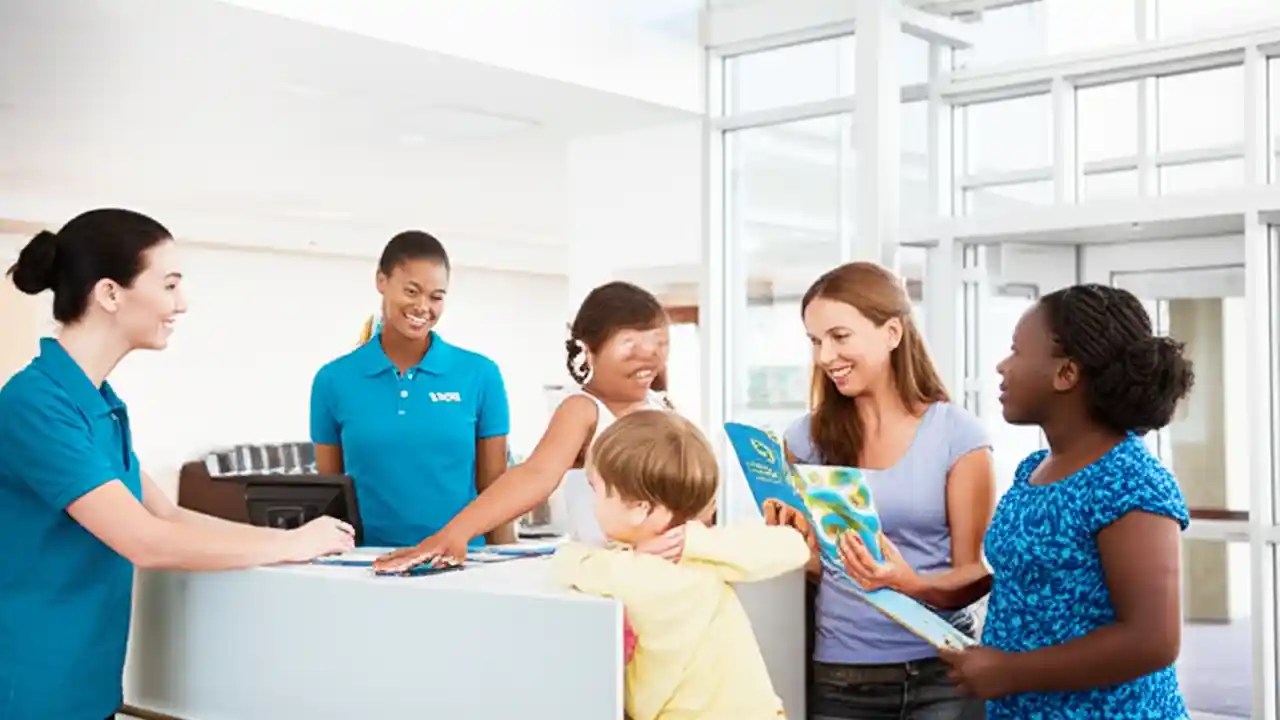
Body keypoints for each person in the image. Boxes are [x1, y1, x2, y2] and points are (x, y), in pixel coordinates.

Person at [0, 209, 354, 720]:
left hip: (88, 686)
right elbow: (144, 540)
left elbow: (166, 515)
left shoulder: (100, 404)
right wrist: (291, 543)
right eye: (168, 285)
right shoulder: (36, 405)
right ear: (110, 294)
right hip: (30, 692)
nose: (181, 303)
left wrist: (291, 541)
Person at [845, 284, 1194, 718]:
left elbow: (1152, 641)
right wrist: (914, 585)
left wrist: (1011, 672)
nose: (1002, 366)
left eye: (1016, 351)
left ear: (1066, 373)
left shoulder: (1130, 481)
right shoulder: (1033, 469)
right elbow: (1017, 578)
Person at [766, 261, 994, 720]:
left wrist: (910, 583)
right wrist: (793, 546)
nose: (825, 356)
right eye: (815, 341)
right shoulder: (805, 441)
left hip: (941, 673)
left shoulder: (958, 435)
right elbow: (819, 570)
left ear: (892, 333)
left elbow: (974, 575)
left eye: (839, 336)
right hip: (842, 678)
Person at [374, 280, 678, 572]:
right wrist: (454, 534)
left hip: (670, 574)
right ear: (589, 350)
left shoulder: (663, 409)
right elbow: (535, 475)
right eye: (630, 345)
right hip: (609, 577)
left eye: (659, 344)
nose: (648, 357)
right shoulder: (584, 410)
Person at [551, 410, 810, 720]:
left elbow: (565, 561)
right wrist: (696, 540)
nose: (593, 502)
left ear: (639, 509)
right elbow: (793, 546)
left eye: (596, 489)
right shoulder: (705, 555)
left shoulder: (628, 573)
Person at [310, 231, 512, 548]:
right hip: (367, 564)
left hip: (462, 563)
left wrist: (509, 565)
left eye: (436, 297)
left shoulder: (481, 375)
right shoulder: (332, 380)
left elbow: (497, 492)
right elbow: (330, 502)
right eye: (411, 291)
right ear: (381, 281)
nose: (423, 307)